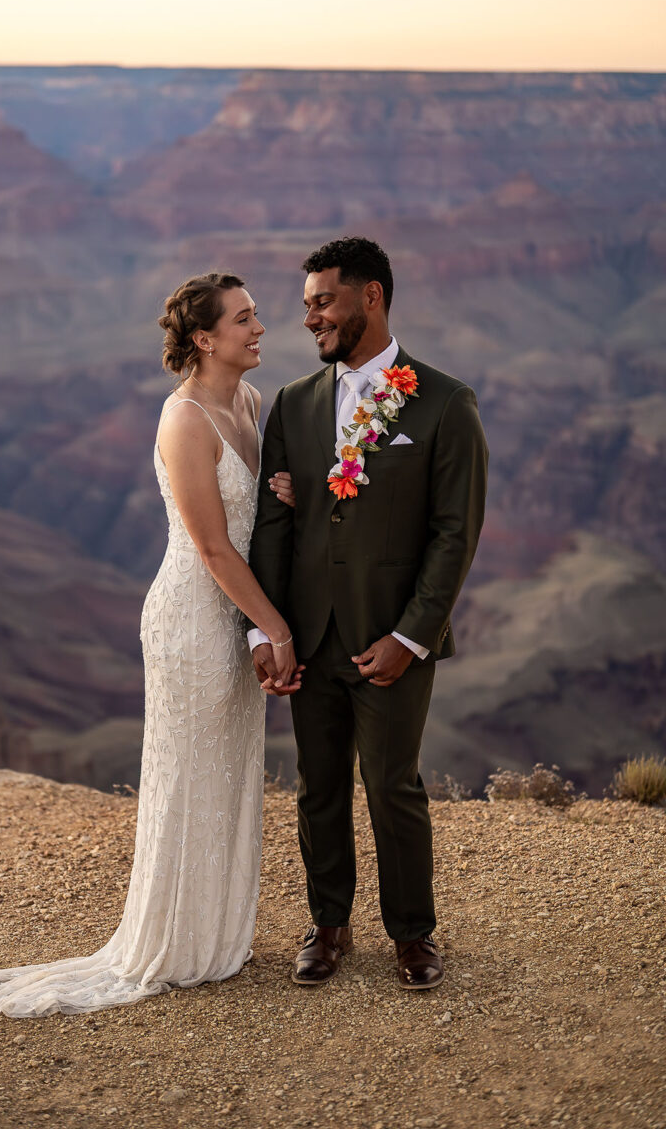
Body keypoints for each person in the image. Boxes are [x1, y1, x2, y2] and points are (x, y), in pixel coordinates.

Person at [0, 272, 300, 1020]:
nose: (260, 327)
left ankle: (211, 935)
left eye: (256, 315)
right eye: (244, 319)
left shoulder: (248, 401)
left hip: (235, 614)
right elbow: (211, 547)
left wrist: (286, 505)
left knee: (227, 770)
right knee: (189, 774)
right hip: (194, 621)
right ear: (205, 339)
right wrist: (275, 628)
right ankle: (169, 943)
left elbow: (253, 525)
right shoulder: (185, 420)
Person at [249, 237, 488, 990]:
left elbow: (456, 532)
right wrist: (269, 631)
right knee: (319, 786)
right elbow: (276, 524)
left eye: (324, 300)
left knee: (394, 787)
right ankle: (328, 925)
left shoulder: (445, 403)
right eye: (308, 302)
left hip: (391, 638)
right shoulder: (292, 404)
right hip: (310, 639)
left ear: (372, 297)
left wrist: (413, 635)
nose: (310, 316)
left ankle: (413, 935)